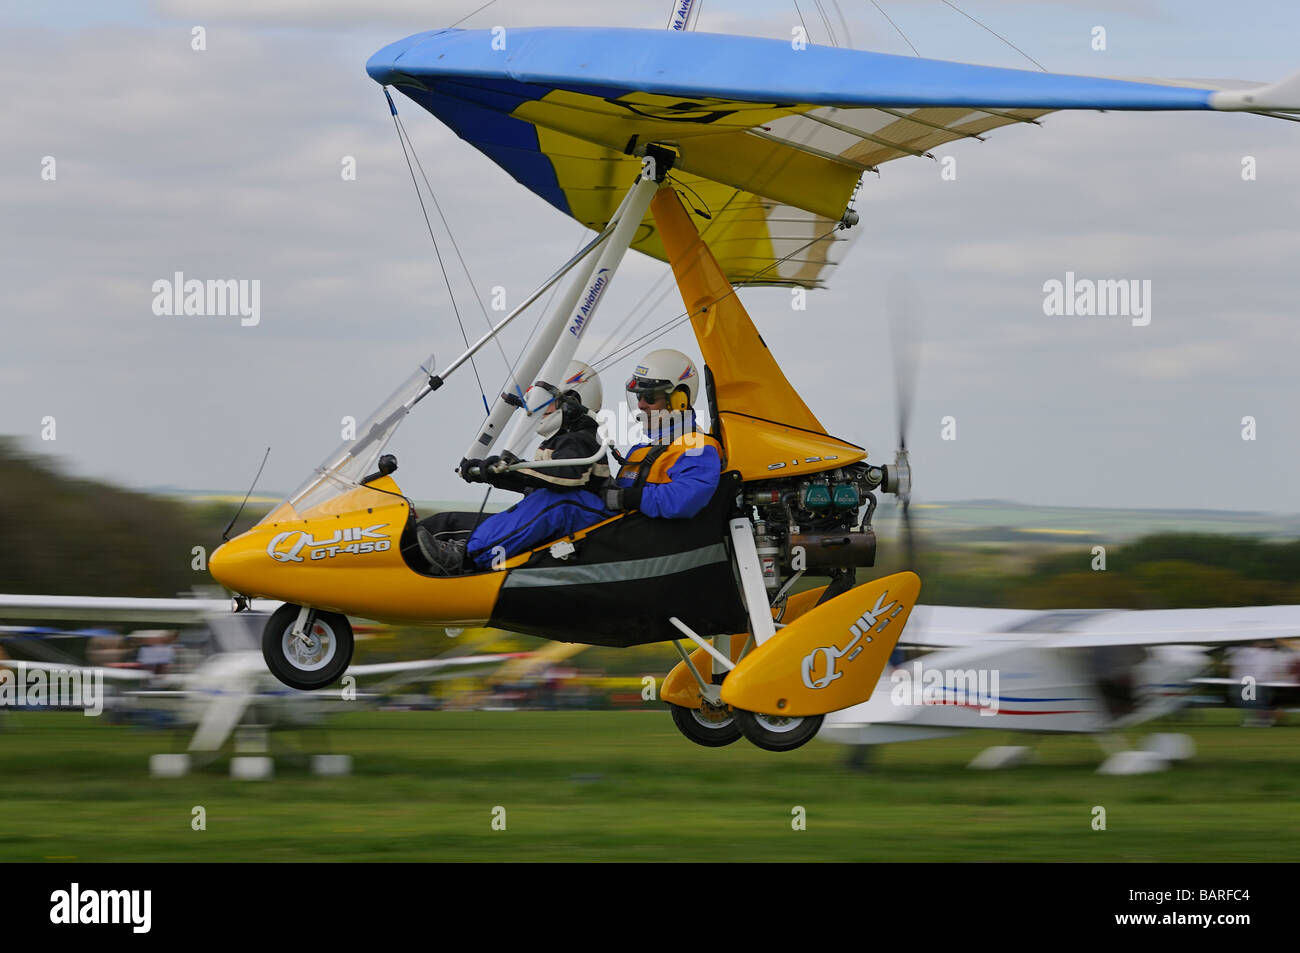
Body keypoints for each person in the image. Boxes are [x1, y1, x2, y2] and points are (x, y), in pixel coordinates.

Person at [416, 361, 612, 574]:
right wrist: (492, 475)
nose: (533, 410)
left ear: (571, 404)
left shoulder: (581, 439)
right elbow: (537, 483)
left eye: (542, 402)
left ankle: (466, 557)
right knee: (444, 523)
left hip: (585, 518)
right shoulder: (560, 440)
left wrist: (505, 468)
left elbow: (565, 479)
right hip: (564, 511)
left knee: (550, 502)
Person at [602, 348, 722, 519]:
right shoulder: (641, 448)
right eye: (639, 397)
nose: (641, 405)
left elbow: (683, 500)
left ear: (679, 401)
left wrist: (631, 498)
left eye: (649, 397)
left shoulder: (697, 446)